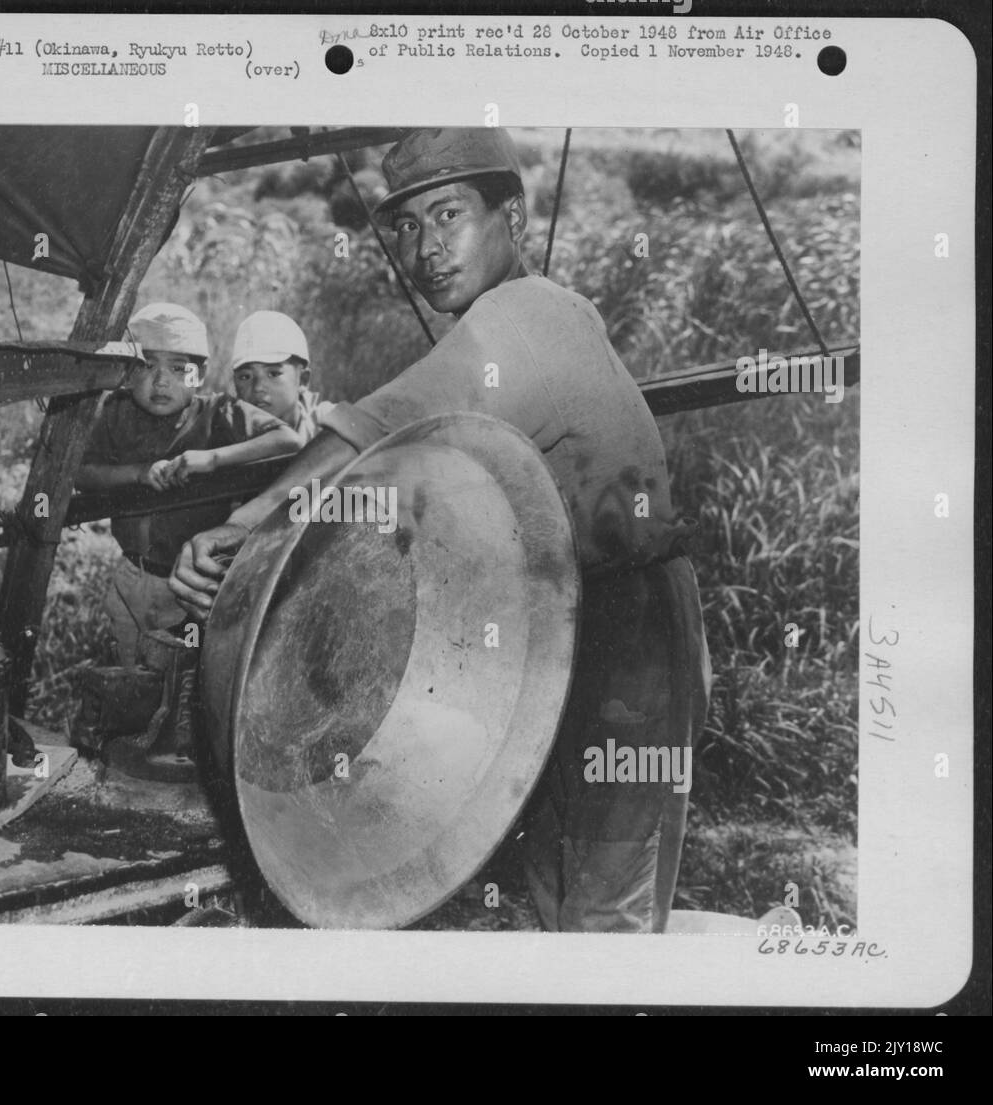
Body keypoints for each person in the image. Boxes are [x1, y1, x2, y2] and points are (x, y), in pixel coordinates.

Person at [170, 128, 711, 934]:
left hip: (629, 630)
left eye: (448, 214)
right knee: (552, 877)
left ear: (514, 218)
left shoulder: (530, 316)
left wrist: (248, 517)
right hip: (554, 622)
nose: (425, 247)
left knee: (608, 902)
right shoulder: (523, 319)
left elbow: (382, 423)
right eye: (407, 226)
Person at [76, 302, 299, 668]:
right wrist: (138, 472)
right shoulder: (116, 413)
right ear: (126, 372)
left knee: (180, 674)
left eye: (180, 369)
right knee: (124, 668)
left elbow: (287, 440)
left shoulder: (217, 413)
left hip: (190, 586)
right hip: (132, 574)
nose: (161, 381)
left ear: (202, 373)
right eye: (147, 366)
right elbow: (82, 473)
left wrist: (212, 458)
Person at [230, 310, 335, 444]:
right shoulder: (225, 433)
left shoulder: (326, 424)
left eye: (273, 374)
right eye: (245, 377)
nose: (258, 388)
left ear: (303, 380)